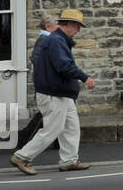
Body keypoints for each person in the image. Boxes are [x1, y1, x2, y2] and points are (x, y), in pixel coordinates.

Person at [10, 9, 96, 175]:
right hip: (54, 94)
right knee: (52, 130)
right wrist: (85, 78)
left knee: (72, 128)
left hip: (61, 93)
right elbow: (64, 66)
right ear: (70, 24)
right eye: (78, 27)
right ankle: (22, 156)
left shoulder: (58, 40)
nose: (78, 31)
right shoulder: (56, 41)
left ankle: (69, 161)